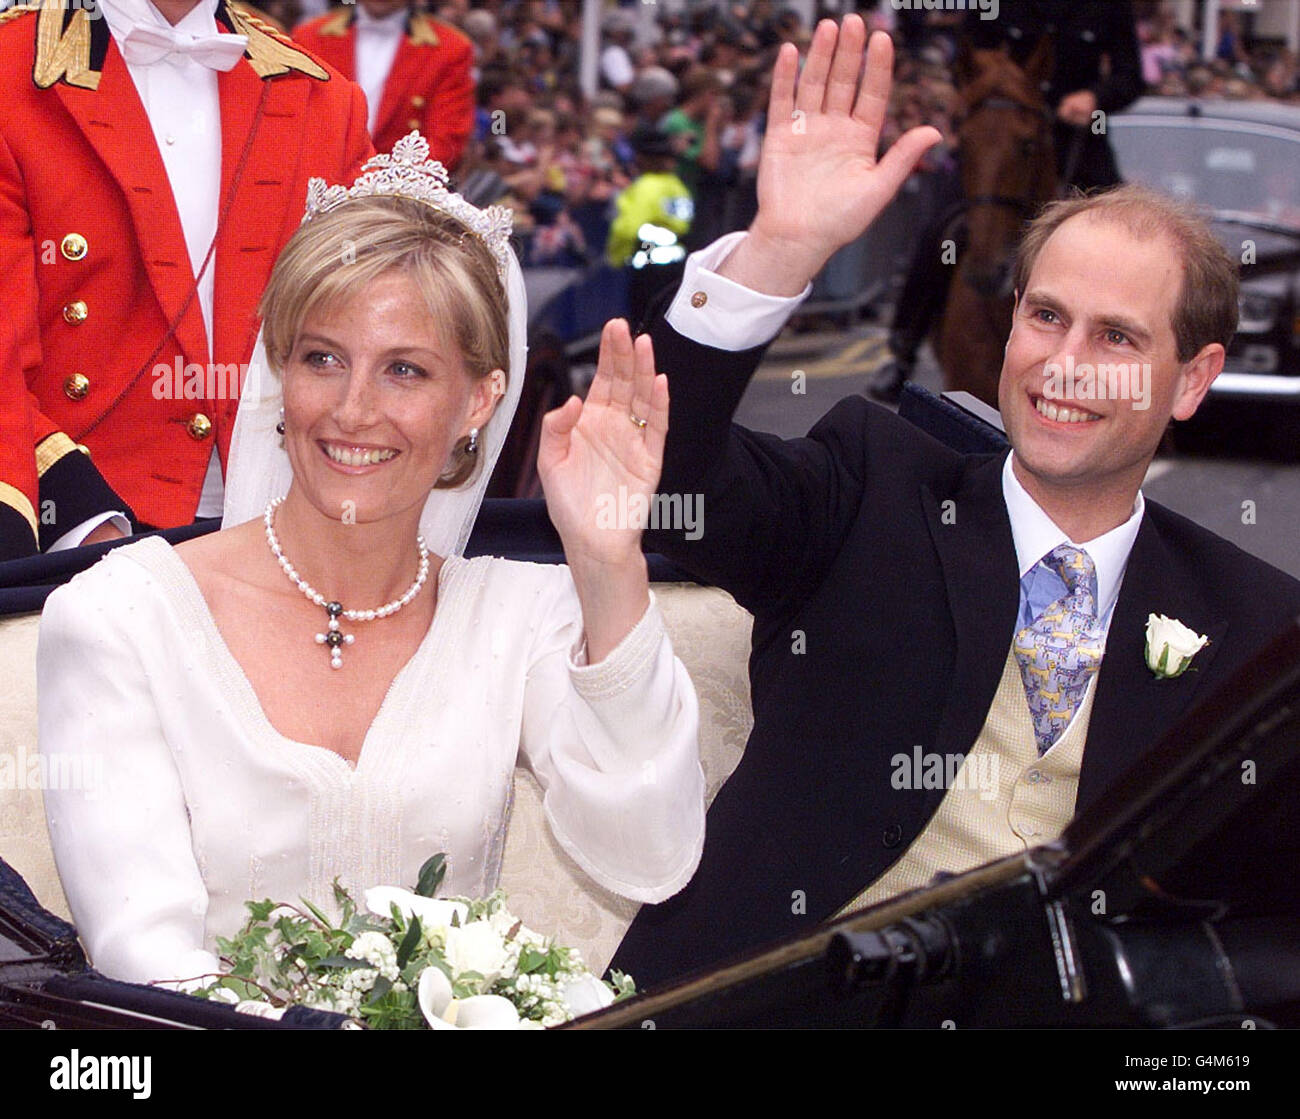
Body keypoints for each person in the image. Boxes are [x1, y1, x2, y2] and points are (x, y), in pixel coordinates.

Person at [609, 17, 1300, 988]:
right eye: (1046, 317)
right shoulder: (871, 483)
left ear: (1191, 380)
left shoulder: (1262, 626)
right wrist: (778, 249)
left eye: (1115, 339)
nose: (1063, 367)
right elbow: (664, 485)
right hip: (752, 1007)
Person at [38, 135, 705, 987]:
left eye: (404, 371)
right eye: (323, 359)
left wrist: (606, 558)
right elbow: (148, 965)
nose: (354, 411)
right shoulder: (117, 618)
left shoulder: (521, 613)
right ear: (281, 371)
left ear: (478, 401)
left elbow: (650, 853)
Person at [0, 0, 374, 561]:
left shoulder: (322, 95)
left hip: (277, 530)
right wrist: (81, 523)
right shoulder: (11, 71)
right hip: (75, 531)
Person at [869, 0, 1143, 402]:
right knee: (941, 227)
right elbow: (967, 56)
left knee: (1125, 237)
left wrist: (1093, 96)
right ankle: (903, 348)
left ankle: (1135, 357)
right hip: (999, 133)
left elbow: (1131, 77)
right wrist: (991, 82)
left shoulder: (1108, 8)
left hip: (1073, 139)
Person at [293, 0, 474, 170]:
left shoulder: (450, 49)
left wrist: (385, 191)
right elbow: (295, 124)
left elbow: (446, 140)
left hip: (400, 192)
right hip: (318, 183)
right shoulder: (309, 37)